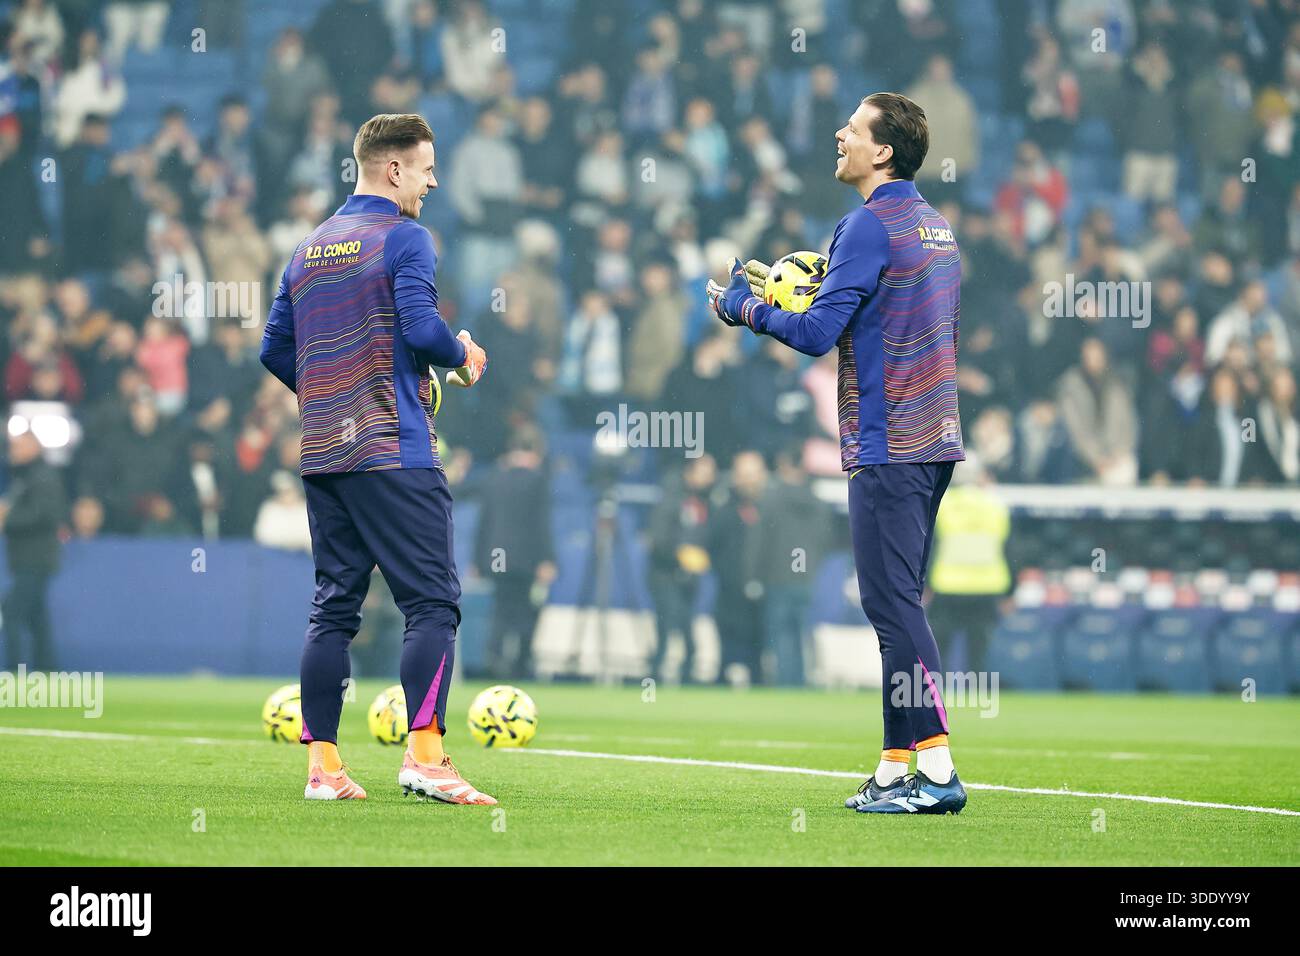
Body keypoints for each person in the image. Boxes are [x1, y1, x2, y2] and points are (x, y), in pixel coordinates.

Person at [707, 92, 968, 814]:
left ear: (882, 150)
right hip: (935, 433)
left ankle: (939, 772)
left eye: (851, 129)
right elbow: (894, 318)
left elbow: (819, 335)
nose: (838, 134)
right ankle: (893, 765)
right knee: (897, 603)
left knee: (892, 605)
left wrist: (746, 310)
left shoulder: (865, 225)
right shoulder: (936, 227)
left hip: (887, 439)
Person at [260, 113, 494, 805]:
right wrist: (462, 355)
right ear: (393, 170)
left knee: (334, 609)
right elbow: (423, 328)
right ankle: (425, 757)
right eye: (425, 168)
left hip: (324, 453)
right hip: (395, 448)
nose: (433, 180)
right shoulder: (405, 237)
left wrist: (334, 391)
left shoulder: (308, 248)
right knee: (433, 603)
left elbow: (275, 350)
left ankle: (324, 771)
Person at [474, 423, 556, 679]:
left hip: (496, 557)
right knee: (525, 612)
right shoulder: (538, 480)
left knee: (500, 610)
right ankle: (521, 664)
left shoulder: (494, 478)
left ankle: (494, 660)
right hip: (525, 559)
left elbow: (484, 521)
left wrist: (478, 559)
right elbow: (540, 523)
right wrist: (547, 558)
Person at [1, 431, 66, 670]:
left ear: (34, 448)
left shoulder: (43, 476)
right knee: (37, 618)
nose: (12, 452)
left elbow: (44, 514)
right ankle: (47, 669)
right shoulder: (27, 477)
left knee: (12, 611)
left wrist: (7, 519)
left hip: (35, 559)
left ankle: (14, 670)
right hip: (28, 559)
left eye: (18, 447)